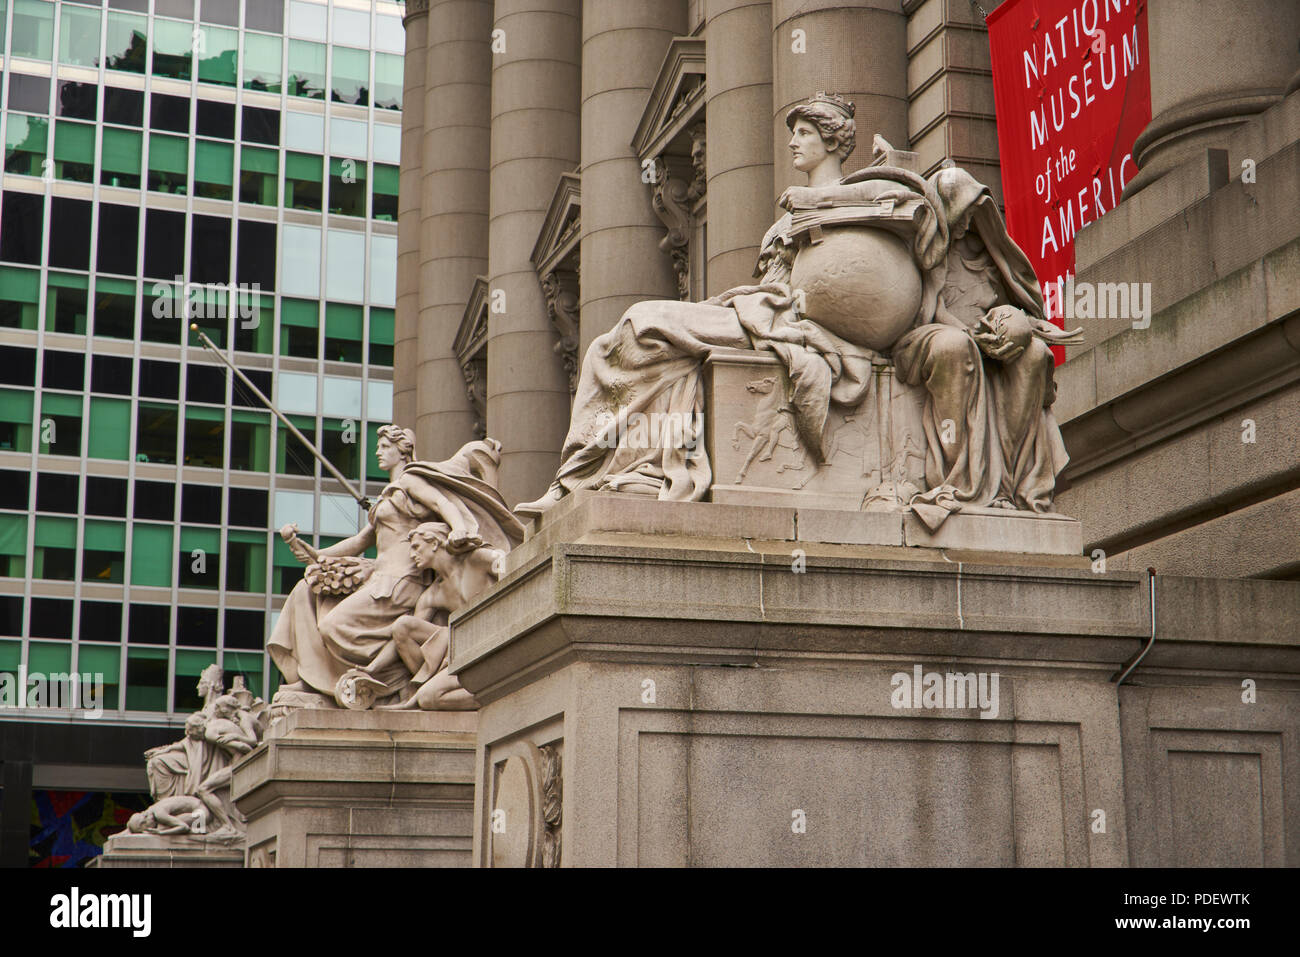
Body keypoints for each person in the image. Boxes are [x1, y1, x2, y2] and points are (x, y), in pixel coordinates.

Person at [269, 428, 523, 707]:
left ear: (403, 450)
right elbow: (359, 541)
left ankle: (386, 684)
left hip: (400, 582)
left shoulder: (411, 480)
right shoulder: (387, 497)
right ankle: (319, 682)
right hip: (377, 578)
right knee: (306, 590)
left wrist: (459, 528)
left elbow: (442, 502)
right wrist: (315, 554)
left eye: (384, 446)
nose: (378, 452)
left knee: (332, 625)